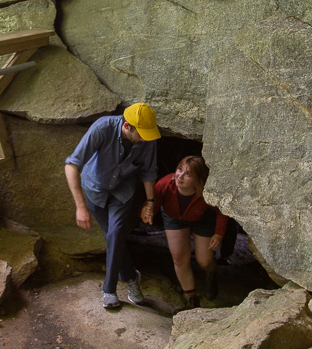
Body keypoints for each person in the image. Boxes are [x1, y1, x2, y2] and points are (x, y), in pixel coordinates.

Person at [65, 102, 160, 310]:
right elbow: (72, 165)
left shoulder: (148, 138)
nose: (145, 138)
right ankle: (131, 276)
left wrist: (150, 203)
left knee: (116, 233)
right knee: (112, 236)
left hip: (122, 192)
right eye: (141, 134)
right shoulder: (102, 128)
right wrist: (80, 207)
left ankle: (109, 290)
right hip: (95, 190)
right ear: (127, 126)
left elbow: (148, 172)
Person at [140, 155, 230, 309]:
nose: (180, 176)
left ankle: (211, 274)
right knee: (179, 257)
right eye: (179, 169)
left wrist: (219, 233)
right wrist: (147, 211)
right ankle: (191, 299)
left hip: (202, 218)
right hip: (173, 217)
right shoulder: (166, 184)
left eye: (187, 174)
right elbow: (153, 202)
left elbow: (222, 210)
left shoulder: (205, 191)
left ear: (197, 180)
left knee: (204, 260)